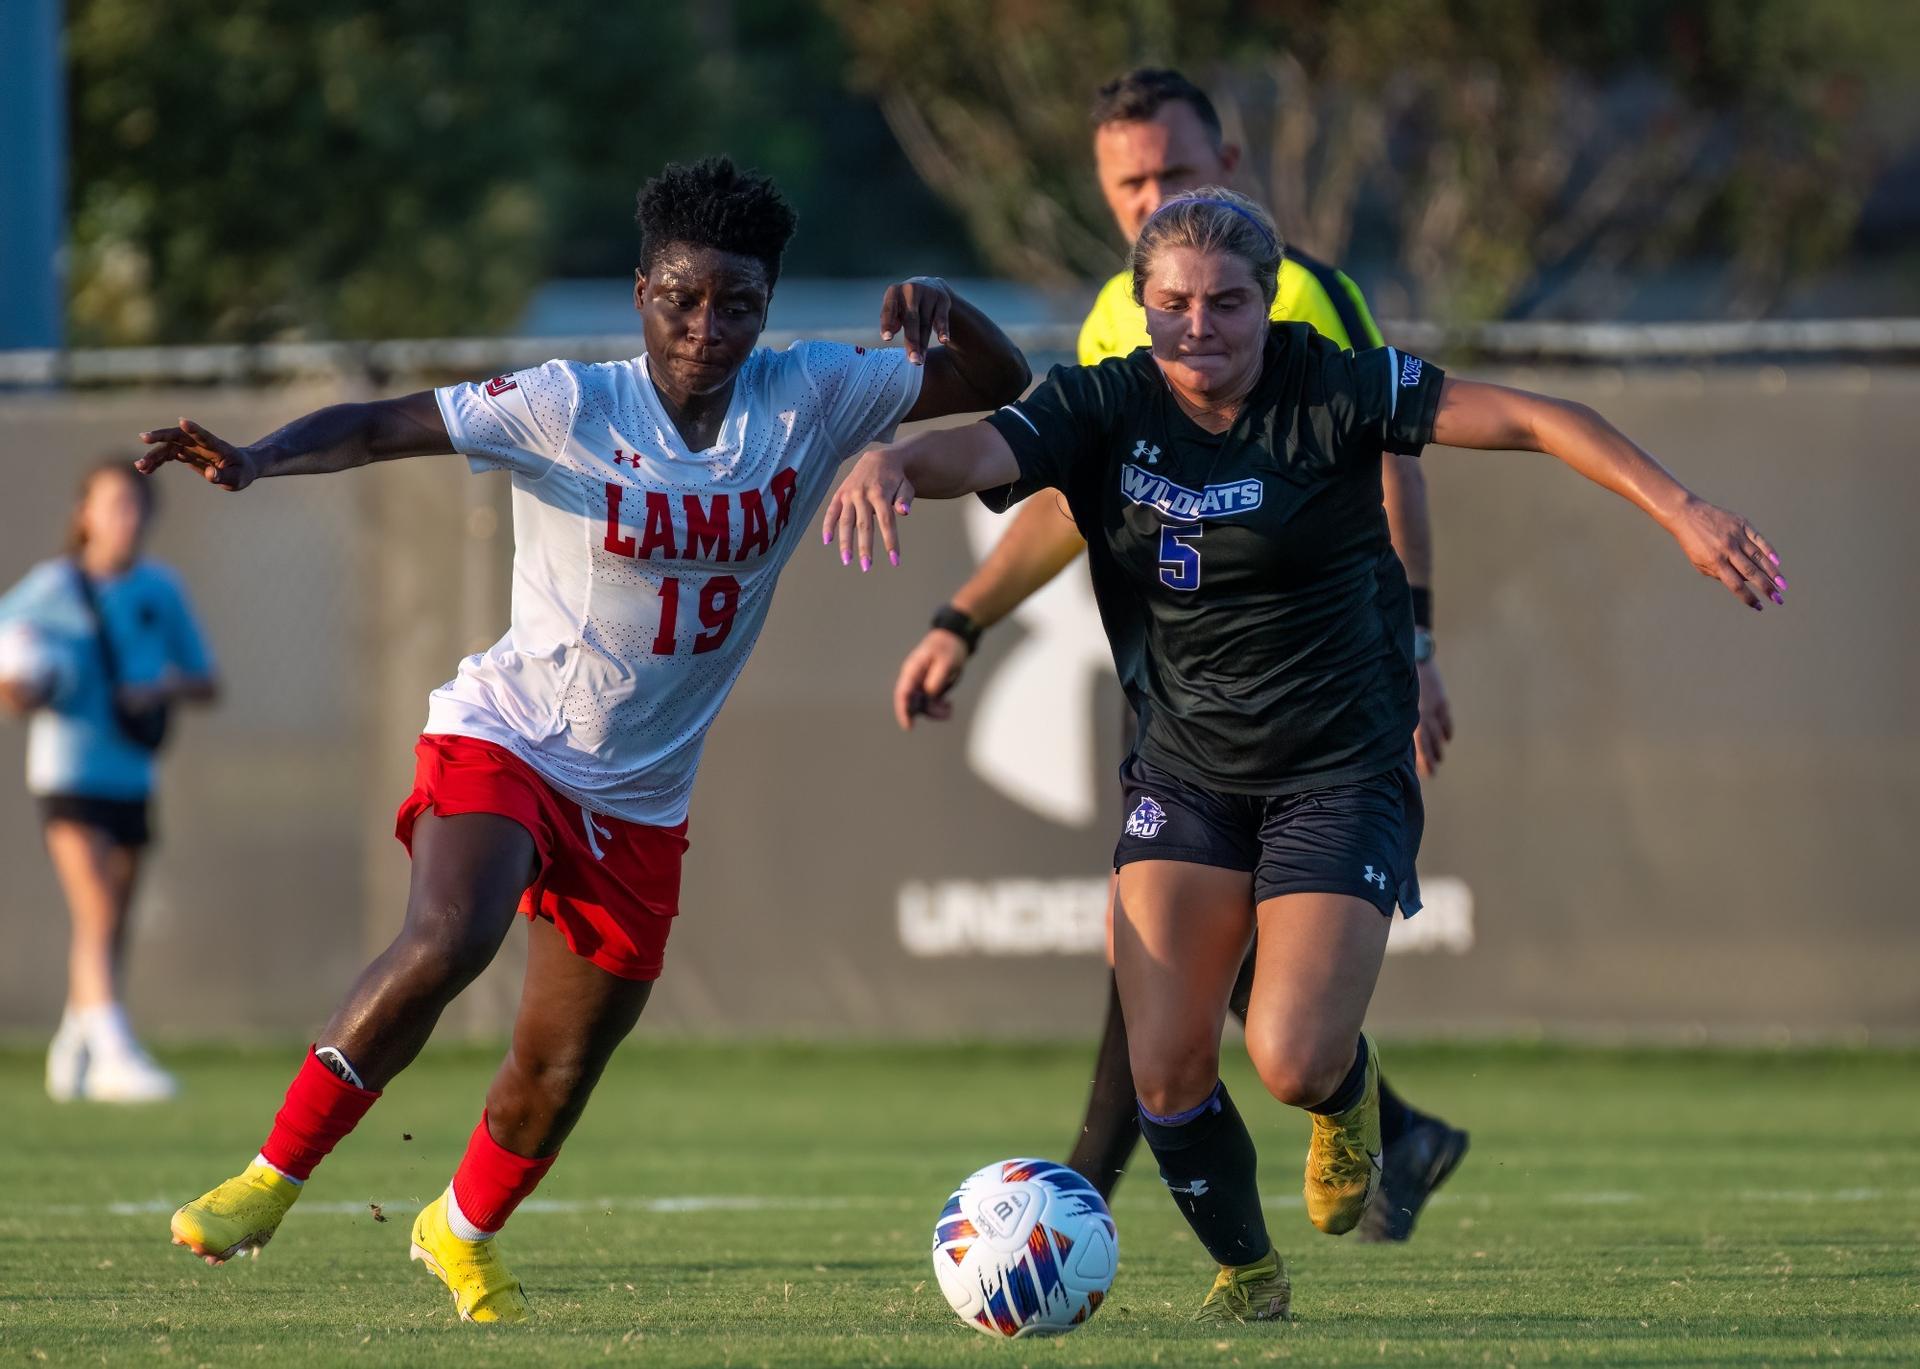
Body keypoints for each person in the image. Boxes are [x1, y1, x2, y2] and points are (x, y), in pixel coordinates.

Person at [825, 188, 1785, 1322]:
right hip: (1185, 770)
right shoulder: (1106, 399)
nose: (1199, 326)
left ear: (1267, 301)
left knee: (1289, 1056)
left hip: (1339, 766)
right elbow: (981, 448)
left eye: (1228, 302)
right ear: (1141, 303)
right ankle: (1249, 1274)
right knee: (1164, 1070)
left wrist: (1681, 509)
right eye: (1174, 303)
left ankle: (1348, 1097)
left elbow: (1535, 416)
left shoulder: (1331, 386)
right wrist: (893, 464)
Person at [139, 157, 1030, 1323]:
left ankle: (460, 1232)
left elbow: (1001, 383)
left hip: (645, 791)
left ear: (768, 305)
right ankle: (272, 1176)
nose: (708, 328)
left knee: (562, 1061)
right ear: (640, 293)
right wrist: (262, 457)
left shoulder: (812, 393)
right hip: (510, 735)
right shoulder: (569, 403)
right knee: (450, 933)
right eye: (682, 299)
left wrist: (946, 304)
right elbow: (381, 424)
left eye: (738, 304)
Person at [892, 67, 1463, 1240]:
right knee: (1158, 961)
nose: (1155, 197)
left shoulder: (1290, 297)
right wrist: (966, 615)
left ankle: (1089, 1195)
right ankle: (1340, 1148)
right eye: (1131, 183)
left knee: (1203, 976)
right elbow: (1072, 495)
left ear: (1229, 168)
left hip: (1320, 684)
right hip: (1174, 679)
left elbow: (1387, 458)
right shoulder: (1125, 314)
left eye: (1176, 172)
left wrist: (1415, 637)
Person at [0, 462, 219, 1103]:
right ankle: (115, 1053)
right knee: (95, 906)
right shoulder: (50, 587)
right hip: (66, 772)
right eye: (113, 503)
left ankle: (75, 1044)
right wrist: (19, 688)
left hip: (132, 772)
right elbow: (12, 668)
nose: (127, 517)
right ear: (85, 513)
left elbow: (204, 680)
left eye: (136, 504)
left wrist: (158, 687)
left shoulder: (160, 588)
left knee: (112, 918)